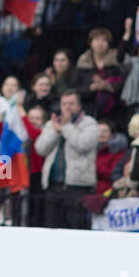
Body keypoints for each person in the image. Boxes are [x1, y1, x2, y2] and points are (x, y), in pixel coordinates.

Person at [34, 89, 98, 228]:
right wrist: (56, 131)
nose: (67, 107)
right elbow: (40, 148)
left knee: (77, 228)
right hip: (52, 185)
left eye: (71, 103)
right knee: (52, 228)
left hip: (77, 185)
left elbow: (83, 144)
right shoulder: (52, 123)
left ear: (79, 106)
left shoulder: (89, 123)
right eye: (64, 104)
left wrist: (66, 127)